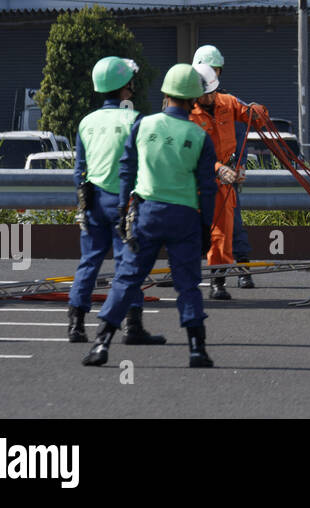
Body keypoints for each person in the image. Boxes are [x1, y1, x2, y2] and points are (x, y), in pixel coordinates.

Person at [81, 64, 219, 368]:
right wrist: (206, 226)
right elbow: (208, 189)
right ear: (194, 99)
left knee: (127, 278)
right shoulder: (198, 136)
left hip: (146, 213)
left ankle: (101, 344)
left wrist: (121, 209)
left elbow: (126, 169)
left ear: (166, 94)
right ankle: (197, 349)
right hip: (184, 216)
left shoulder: (143, 125)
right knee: (187, 284)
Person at [67, 57, 164, 347]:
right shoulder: (135, 120)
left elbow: (79, 170)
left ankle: (76, 325)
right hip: (125, 202)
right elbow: (146, 165)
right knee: (128, 265)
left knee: (89, 261)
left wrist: (82, 201)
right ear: (125, 87)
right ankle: (132, 325)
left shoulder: (86, 122)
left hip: (93, 199)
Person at [192, 44, 268, 293]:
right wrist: (216, 168)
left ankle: (219, 280)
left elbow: (247, 123)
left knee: (225, 232)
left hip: (224, 181)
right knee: (184, 230)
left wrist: (258, 112)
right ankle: (181, 272)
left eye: (217, 72)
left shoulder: (228, 102)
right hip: (193, 181)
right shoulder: (185, 112)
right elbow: (189, 153)